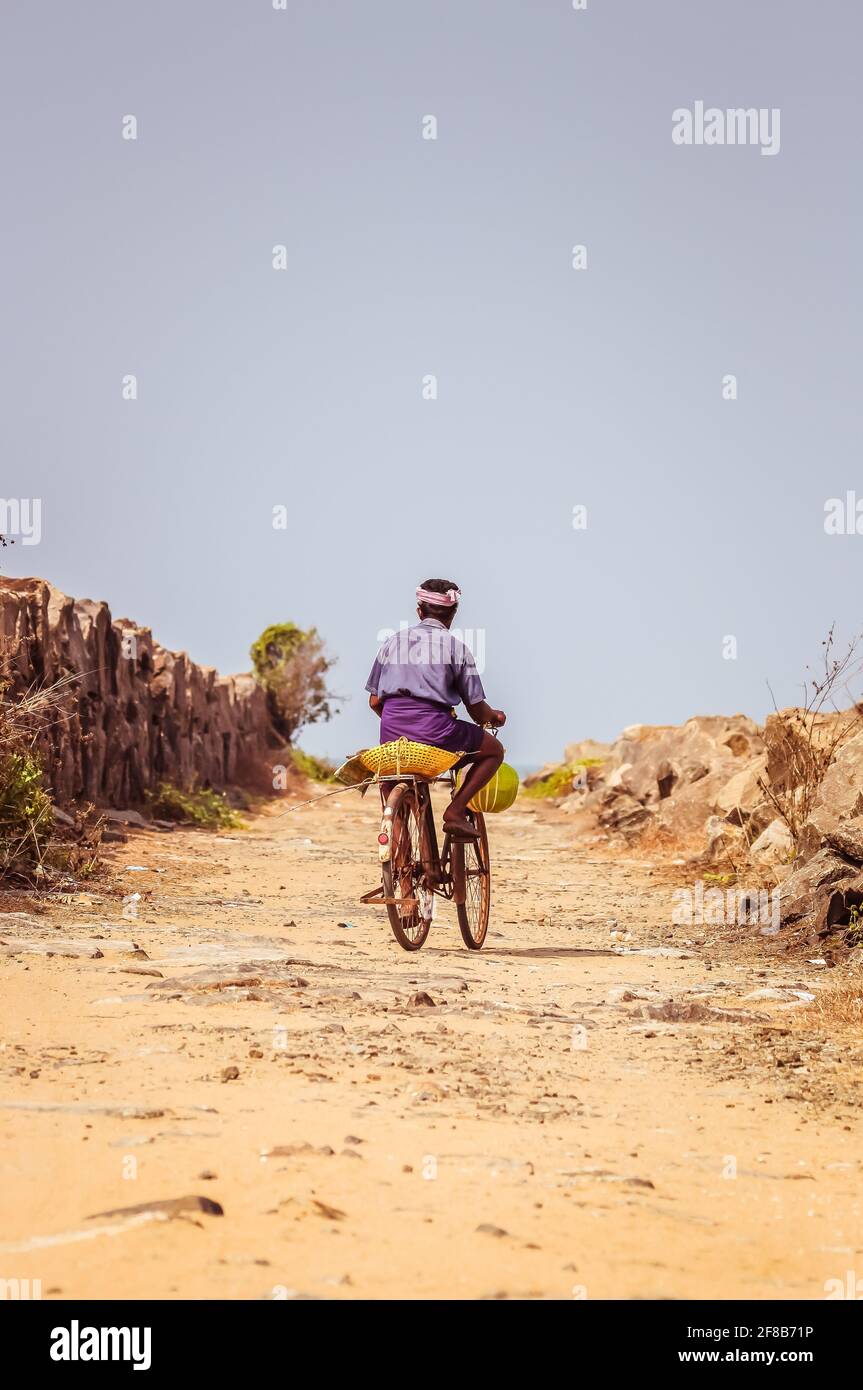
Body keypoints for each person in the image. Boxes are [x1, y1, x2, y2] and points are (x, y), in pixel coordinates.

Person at [366, 579, 506, 838]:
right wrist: (494, 716)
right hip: (436, 732)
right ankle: (455, 811)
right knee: (493, 751)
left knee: (390, 781)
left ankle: (397, 858)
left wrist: (401, 721)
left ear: (420, 610)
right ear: (453, 614)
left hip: (392, 732)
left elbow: (375, 701)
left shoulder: (391, 643)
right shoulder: (457, 648)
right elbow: (477, 711)